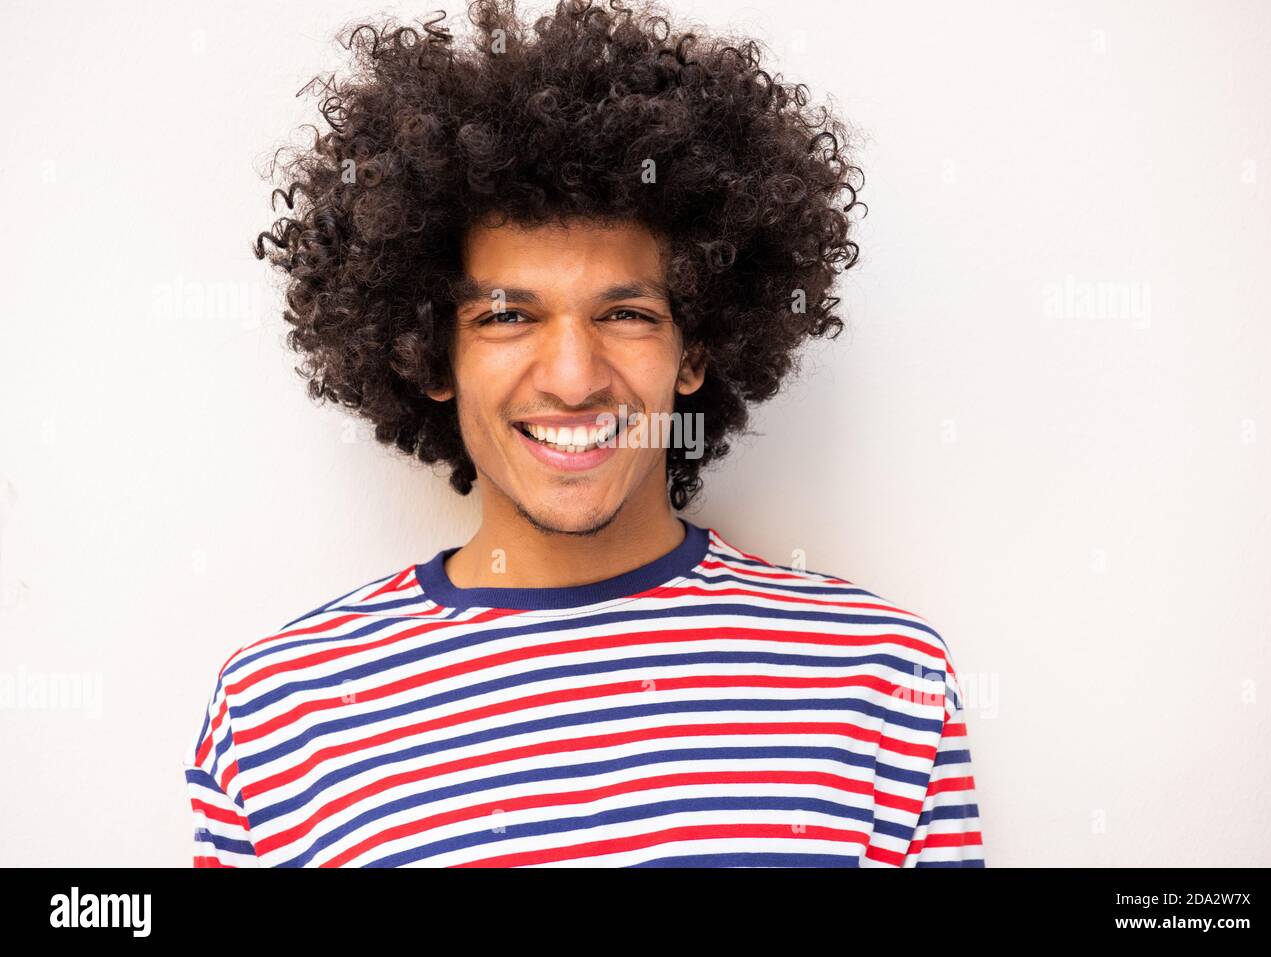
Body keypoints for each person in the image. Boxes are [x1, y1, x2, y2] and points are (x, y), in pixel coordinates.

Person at [184, 0, 984, 867]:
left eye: (629, 312)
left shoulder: (881, 684)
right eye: (506, 317)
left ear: (696, 350)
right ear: (430, 355)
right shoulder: (278, 716)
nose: (573, 377)